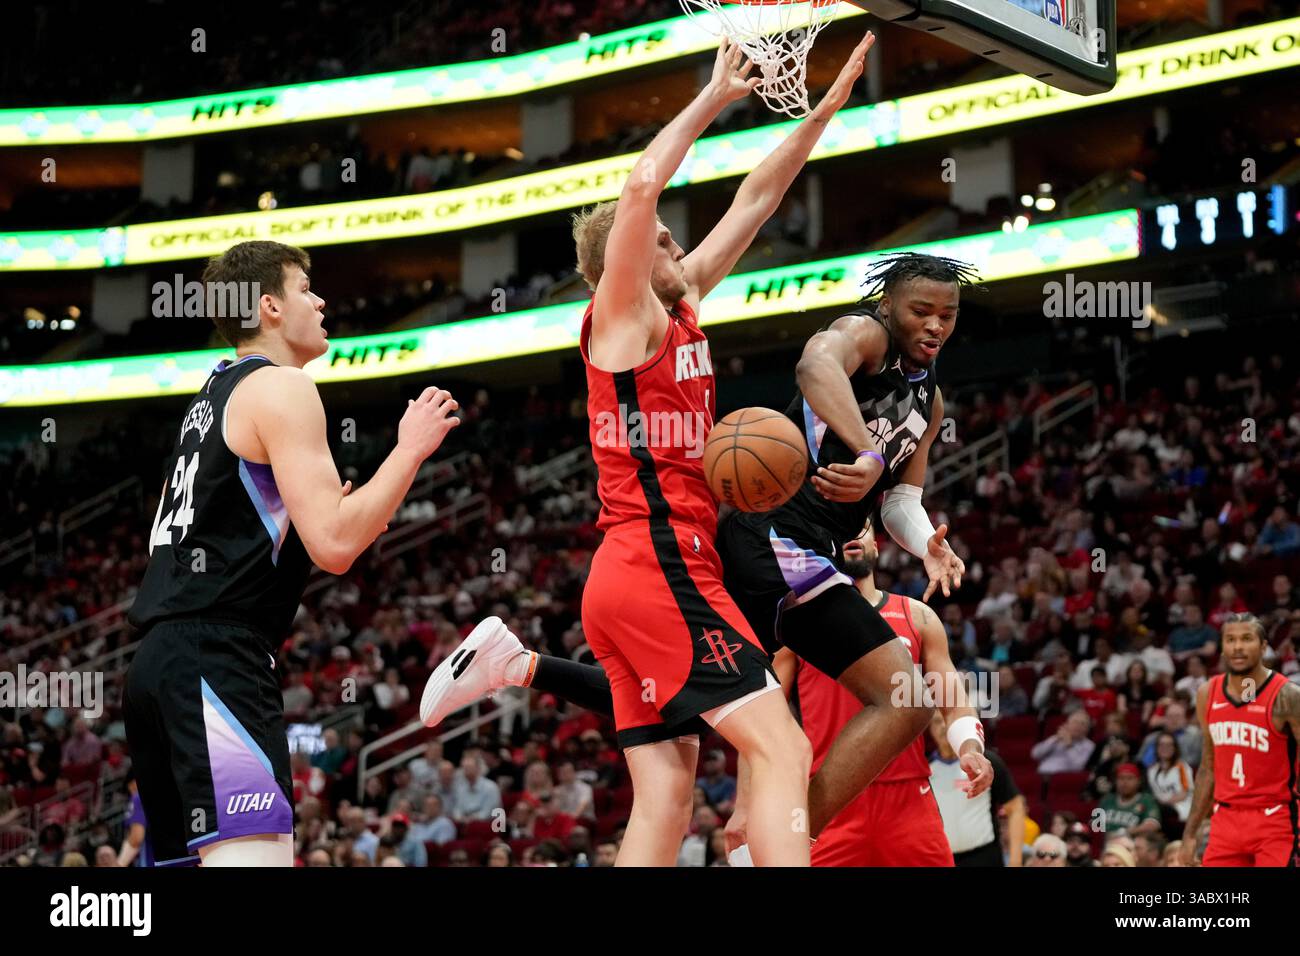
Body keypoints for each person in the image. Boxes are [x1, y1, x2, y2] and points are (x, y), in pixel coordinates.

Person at [423, 32, 879, 868]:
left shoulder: (684, 304)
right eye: (665, 240)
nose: (679, 245)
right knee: (780, 743)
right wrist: (712, 98)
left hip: (629, 578)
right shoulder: (623, 320)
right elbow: (639, 186)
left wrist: (824, 111)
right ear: (624, 269)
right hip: (660, 561)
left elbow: (756, 197)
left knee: (667, 794)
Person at [123, 240, 460, 866]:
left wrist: (352, 514)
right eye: (307, 288)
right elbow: (335, 545)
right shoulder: (284, 387)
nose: (321, 299)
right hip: (216, 658)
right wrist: (409, 448)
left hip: (159, 667)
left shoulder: (214, 395)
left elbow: (324, 534)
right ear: (271, 306)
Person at [754, 520, 991, 866]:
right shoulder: (795, 624)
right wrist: (749, 800)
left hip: (908, 800)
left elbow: (955, 706)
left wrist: (972, 749)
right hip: (829, 799)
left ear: (878, 545)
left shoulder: (919, 617)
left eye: (860, 525)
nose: (851, 532)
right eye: (842, 524)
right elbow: (763, 719)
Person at [1180, 614, 1300, 866]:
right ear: (1222, 647)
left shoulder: (1287, 696)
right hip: (1225, 820)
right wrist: (1190, 834)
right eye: (1230, 639)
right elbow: (1208, 768)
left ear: (1264, 646)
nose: (1237, 647)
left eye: (1246, 639)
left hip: (1276, 819)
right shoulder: (1207, 693)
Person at [930, 711, 1024, 867]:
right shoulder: (925, 769)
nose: (943, 727)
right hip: (941, 859)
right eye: (937, 722)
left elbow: (1015, 807)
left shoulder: (985, 762)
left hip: (984, 856)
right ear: (929, 728)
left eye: (947, 721)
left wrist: (1015, 860)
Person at [1098, 763, 1162, 839]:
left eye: (1130, 778)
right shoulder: (1107, 799)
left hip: (1131, 845)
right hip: (1105, 844)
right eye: (1121, 778)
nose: (1125, 782)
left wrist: (1123, 833)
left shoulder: (1146, 800)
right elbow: (1095, 826)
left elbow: (1152, 826)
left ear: (1138, 781)